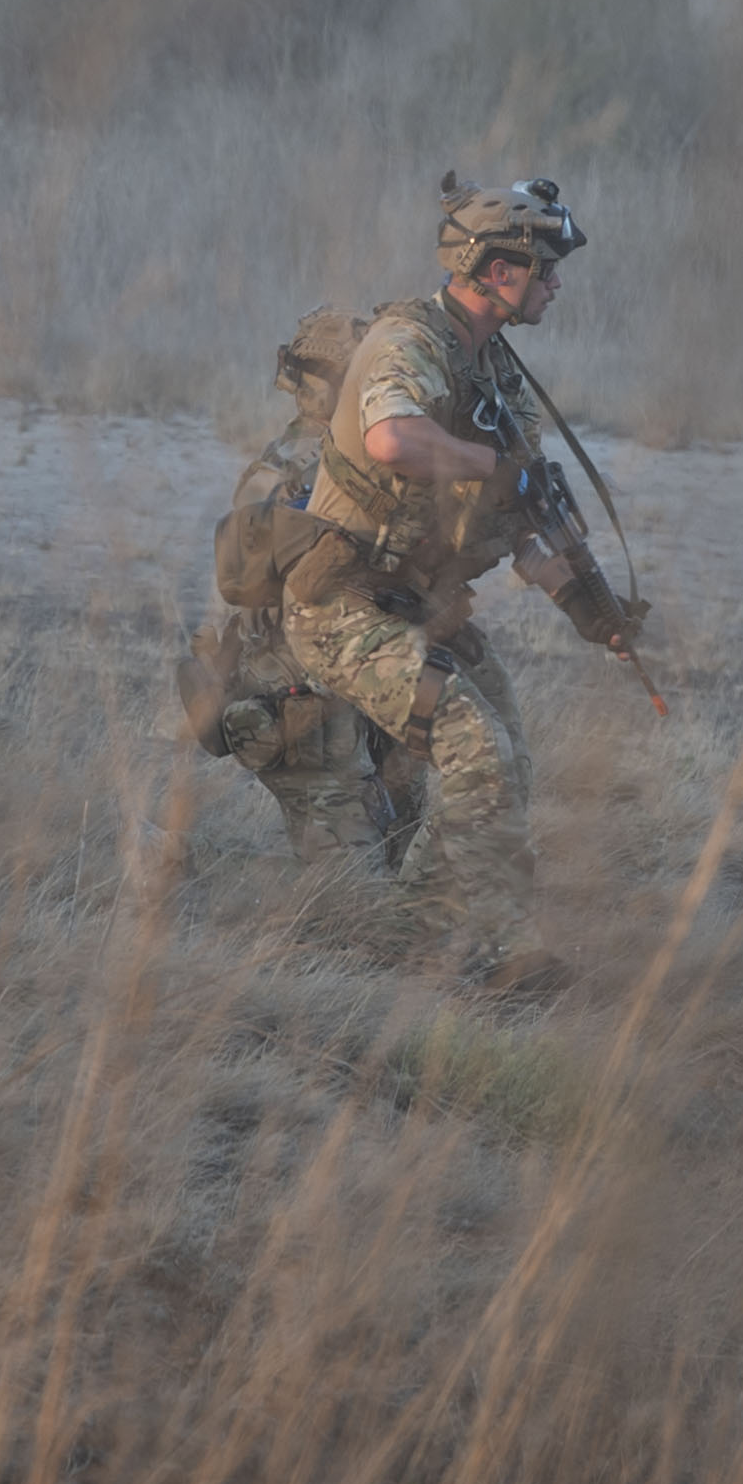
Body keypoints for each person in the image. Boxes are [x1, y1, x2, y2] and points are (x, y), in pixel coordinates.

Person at [246, 175, 646, 963]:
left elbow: (524, 530)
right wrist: (488, 463)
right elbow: (394, 438)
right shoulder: (410, 340)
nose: (557, 285)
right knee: (475, 746)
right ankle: (411, 947)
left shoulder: (497, 373)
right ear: (498, 269)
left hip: (419, 603)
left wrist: (591, 612)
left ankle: (481, 938)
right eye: (546, 268)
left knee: (511, 764)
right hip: (341, 601)